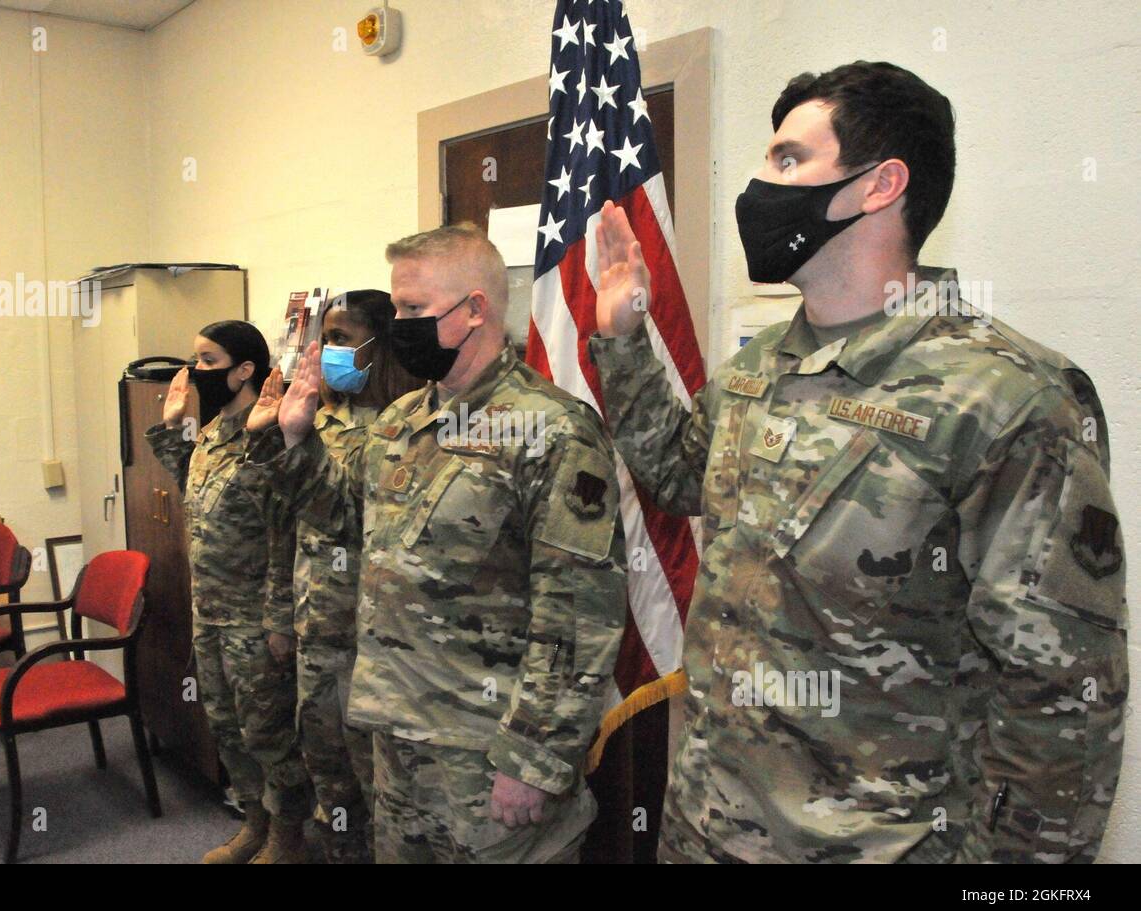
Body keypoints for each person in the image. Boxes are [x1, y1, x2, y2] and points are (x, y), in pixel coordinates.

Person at [590, 61, 1128, 863]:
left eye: (788, 161)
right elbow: (677, 475)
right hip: (707, 830)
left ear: (881, 185)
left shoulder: (1008, 397)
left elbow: (1060, 704)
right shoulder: (761, 369)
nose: (757, 187)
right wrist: (624, 340)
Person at [243, 224, 627, 863]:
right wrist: (293, 443)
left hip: (488, 756)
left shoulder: (552, 430)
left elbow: (580, 616)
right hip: (398, 737)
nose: (398, 324)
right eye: (396, 309)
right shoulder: (404, 419)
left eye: (414, 310)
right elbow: (343, 516)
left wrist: (535, 758)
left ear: (475, 309)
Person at [145, 320, 313, 864]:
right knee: (228, 728)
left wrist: (280, 620)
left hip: (254, 618)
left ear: (244, 370)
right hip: (211, 613)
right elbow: (196, 489)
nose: (196, 372)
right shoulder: (213, 432)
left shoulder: (267, 439)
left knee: (269, 735)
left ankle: (288, 843)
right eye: (195, 359)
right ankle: (254, 826)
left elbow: (286, 533)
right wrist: (174, 428)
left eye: (208, 361)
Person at [266, 289, 421, 863]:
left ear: (379, 347)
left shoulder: (404, 428)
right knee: (328, 777)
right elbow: (287, 531)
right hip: (318, 635)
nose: (328, 350)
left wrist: (292, 443)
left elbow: (348, 518)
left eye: (341, 339)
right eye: (323, 338)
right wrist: (281, 616)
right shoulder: (320, 419)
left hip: (372, 645)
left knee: (380, 787)